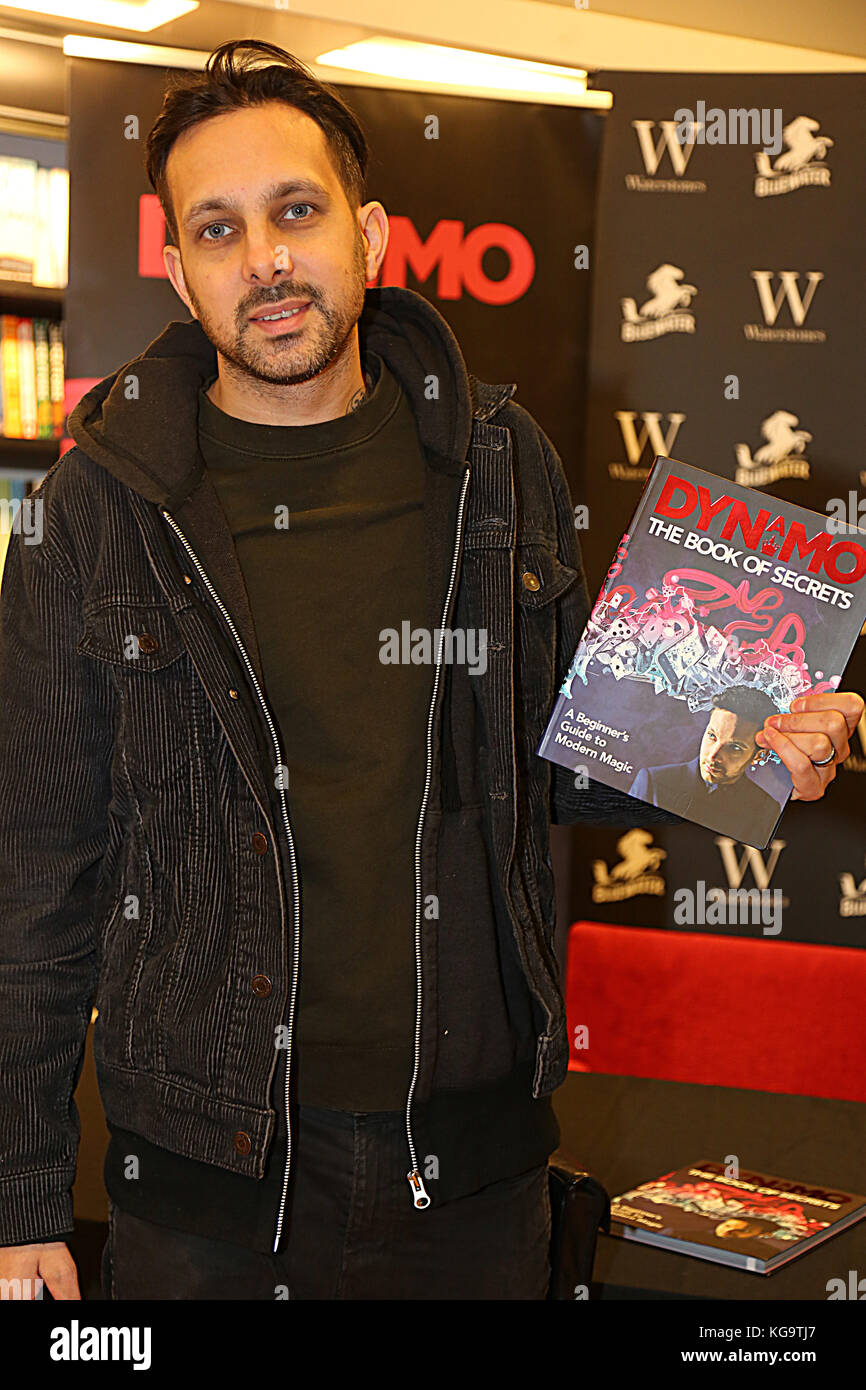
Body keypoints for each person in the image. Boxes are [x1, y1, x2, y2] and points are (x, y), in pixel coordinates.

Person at [0, 39, 861, 1303]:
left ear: (371, 235)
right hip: (203, 1186)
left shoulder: (501, 461)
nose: (267, 261)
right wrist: (20, 1198)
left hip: (471, 1181)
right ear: (180, 272)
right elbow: (33, 867)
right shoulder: (96, 507)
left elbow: (564, 752)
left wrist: (749, 748)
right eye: (219, 230)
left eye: (295, 212)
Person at [628, 687, 785, 842]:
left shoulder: (765, 810)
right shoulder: (653, 782)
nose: (713, 755)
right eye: (712, 736)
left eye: (734, 747)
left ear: (758, 756)